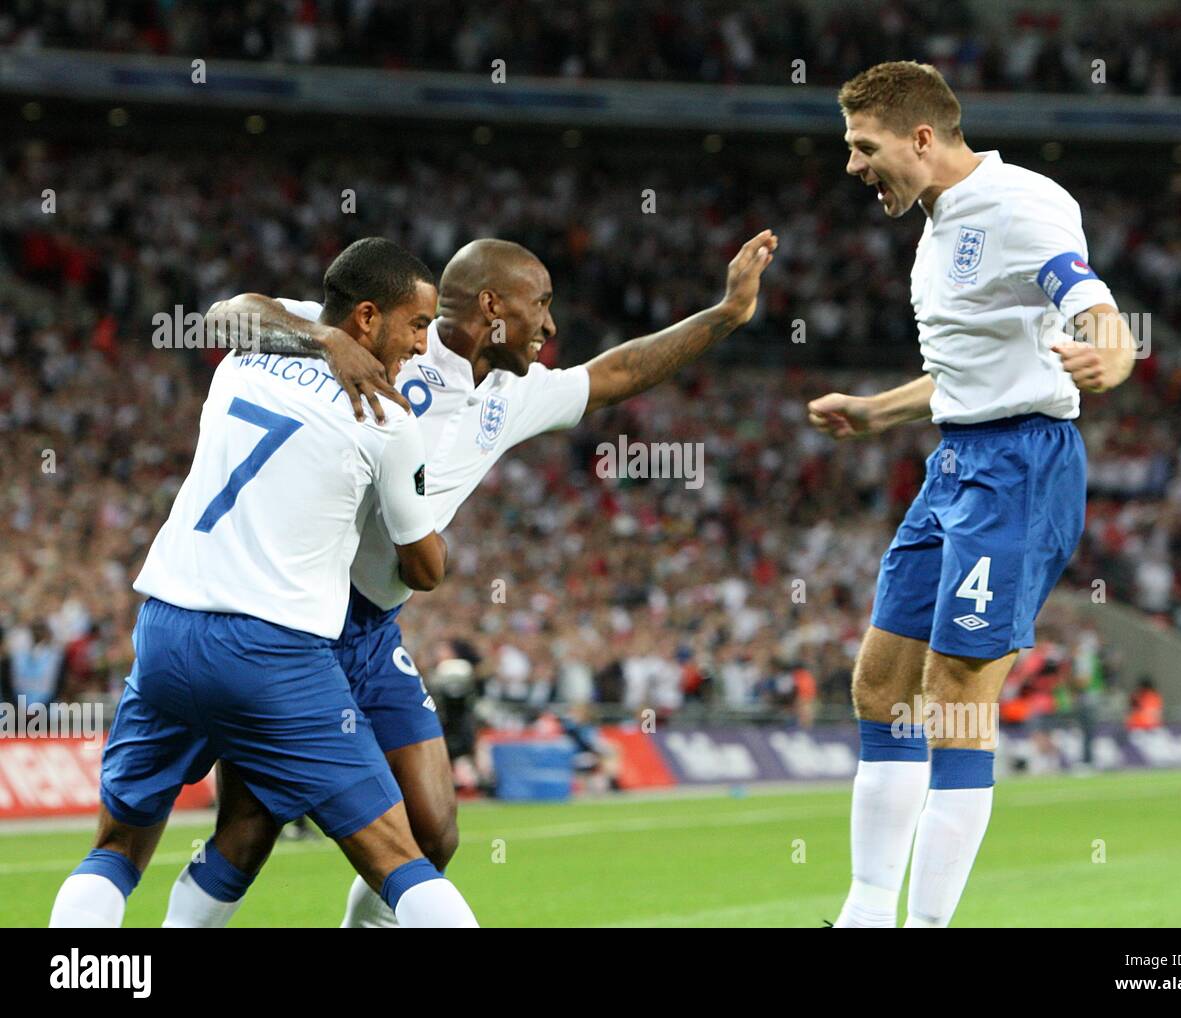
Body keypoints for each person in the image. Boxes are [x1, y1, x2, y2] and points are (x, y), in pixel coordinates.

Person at [164, 230, 778, 927]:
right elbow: (226, 316)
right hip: (294, 618)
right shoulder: (384, 343)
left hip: (370, 630)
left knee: (435, 830)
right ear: (492, 306)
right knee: (247, 834)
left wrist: (725, 314)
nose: (550, 324)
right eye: (539, 304)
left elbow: (616, 375)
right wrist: (325, 342)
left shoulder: (513, 392)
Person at [49, 237, 476, 928]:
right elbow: (423, 569)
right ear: (366, 318)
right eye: (418, 325)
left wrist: (321, 342)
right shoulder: (390, 419)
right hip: (272, 652)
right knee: (402, 857)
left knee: (116, 850)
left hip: (166, 629)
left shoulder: (253, 349)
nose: (423, 345)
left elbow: (229, 312)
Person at [807, 62, 1136, 928]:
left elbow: (1092, 303)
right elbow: (972, 364)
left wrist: (1115, 353)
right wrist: (880, 410)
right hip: (956, 461)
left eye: (862, 147)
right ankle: (867, 913)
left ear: (922, 138)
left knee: (956, 688)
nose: (852, 167)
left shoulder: (1020, 205)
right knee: (881, 685)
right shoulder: (939, 223)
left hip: (1023, 465)